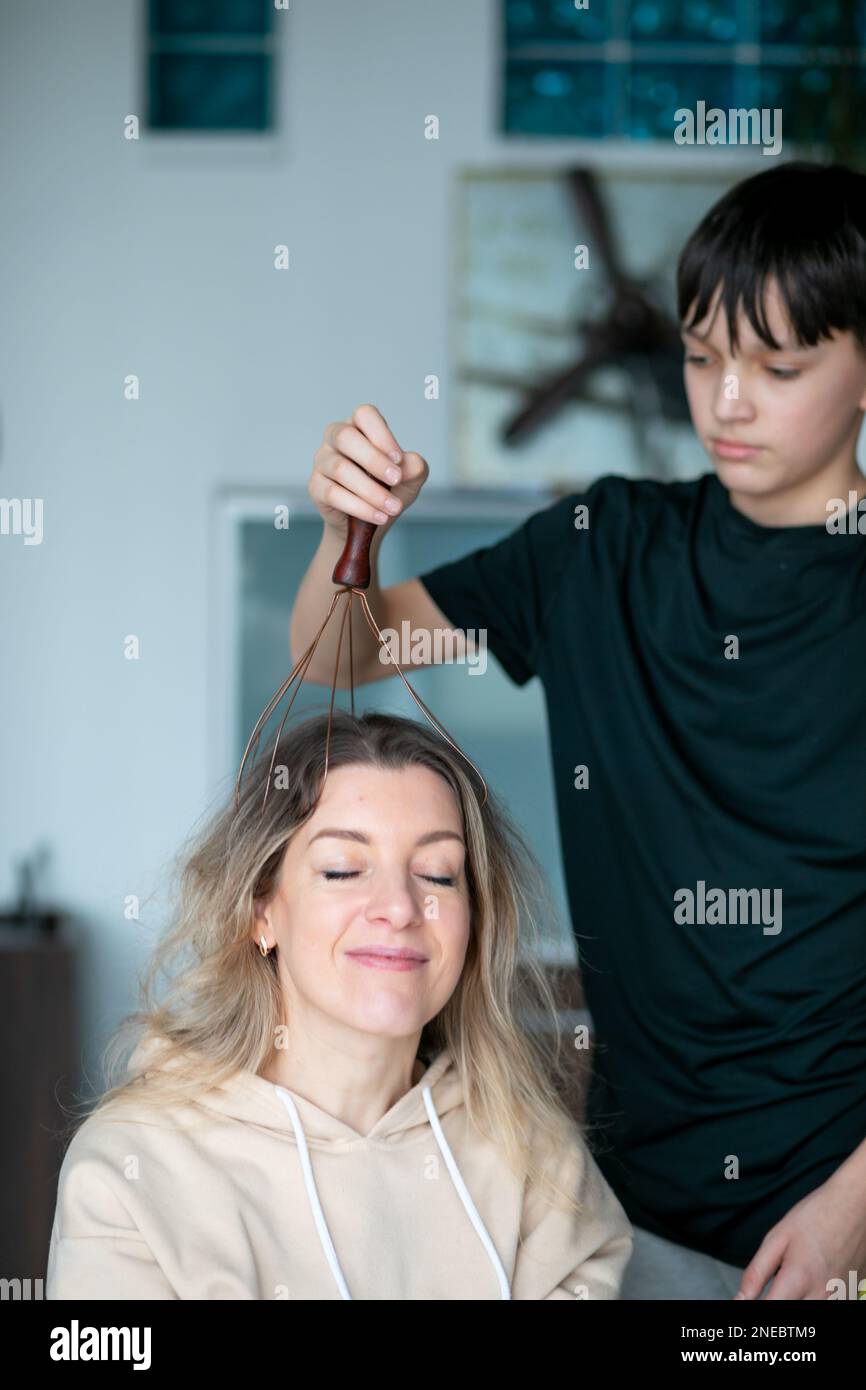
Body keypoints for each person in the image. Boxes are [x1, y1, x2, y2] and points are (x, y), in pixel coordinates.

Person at [292, 160, 866, 1301]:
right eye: (701, 357)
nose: (726, 403)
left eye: (778, 366)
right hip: (621, 1219)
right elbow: (340, 652)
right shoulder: (598, 546)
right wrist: (344, 533)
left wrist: (853, 1209)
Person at [46, 711, 633, 1300]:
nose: (401, 907)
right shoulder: (133, 1166)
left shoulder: (533, 1155)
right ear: (261, 910)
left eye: (437, 874)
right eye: (344, 869)